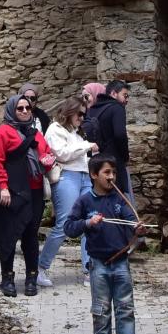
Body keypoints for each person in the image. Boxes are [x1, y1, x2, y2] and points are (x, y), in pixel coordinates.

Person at [64, 155, 152, 334]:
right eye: (106, 172)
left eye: (113, 172)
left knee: (125, 308)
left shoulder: (119, 199)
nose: (112, 177)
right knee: (101, 310)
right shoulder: (85, 201)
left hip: (121, 261)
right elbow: (69, 227)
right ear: (94, 175)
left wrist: (139, 229)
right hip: (98, 264)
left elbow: (133, 223)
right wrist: (87, 222)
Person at [0, 95, 55, 297]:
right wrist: (2, 187)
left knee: (30, 235)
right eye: (20, 108)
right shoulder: (3, 132)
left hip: (34, 191)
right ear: (12, 110)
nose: (24, 111)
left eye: (27, 108)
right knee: (10, 234)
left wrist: (48, 160)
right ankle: (8, 278)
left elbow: (46, 154)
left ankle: (31, 278)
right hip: (12, 192)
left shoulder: (36, 134)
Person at [37, 97, 99, 287]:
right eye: (79, 113)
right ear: (69, 111)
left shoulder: (77, 133)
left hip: (83, 177)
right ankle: (40, 267)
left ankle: (89, 269)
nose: (82, 117)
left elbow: (79, 157)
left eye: (84, 114)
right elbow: (61, 154)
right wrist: (87, 146)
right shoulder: (55, 129)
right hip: (67, 177)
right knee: (64, 224)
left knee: (91, 222)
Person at [83, 79, 131, 196]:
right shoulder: (117, 108)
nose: (127, 100)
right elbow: (120, 134)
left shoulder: (91, 110)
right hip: (113, 160)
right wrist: (125, 157)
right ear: (114, 94)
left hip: (96, 162)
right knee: (117, 198)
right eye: (125, 95)